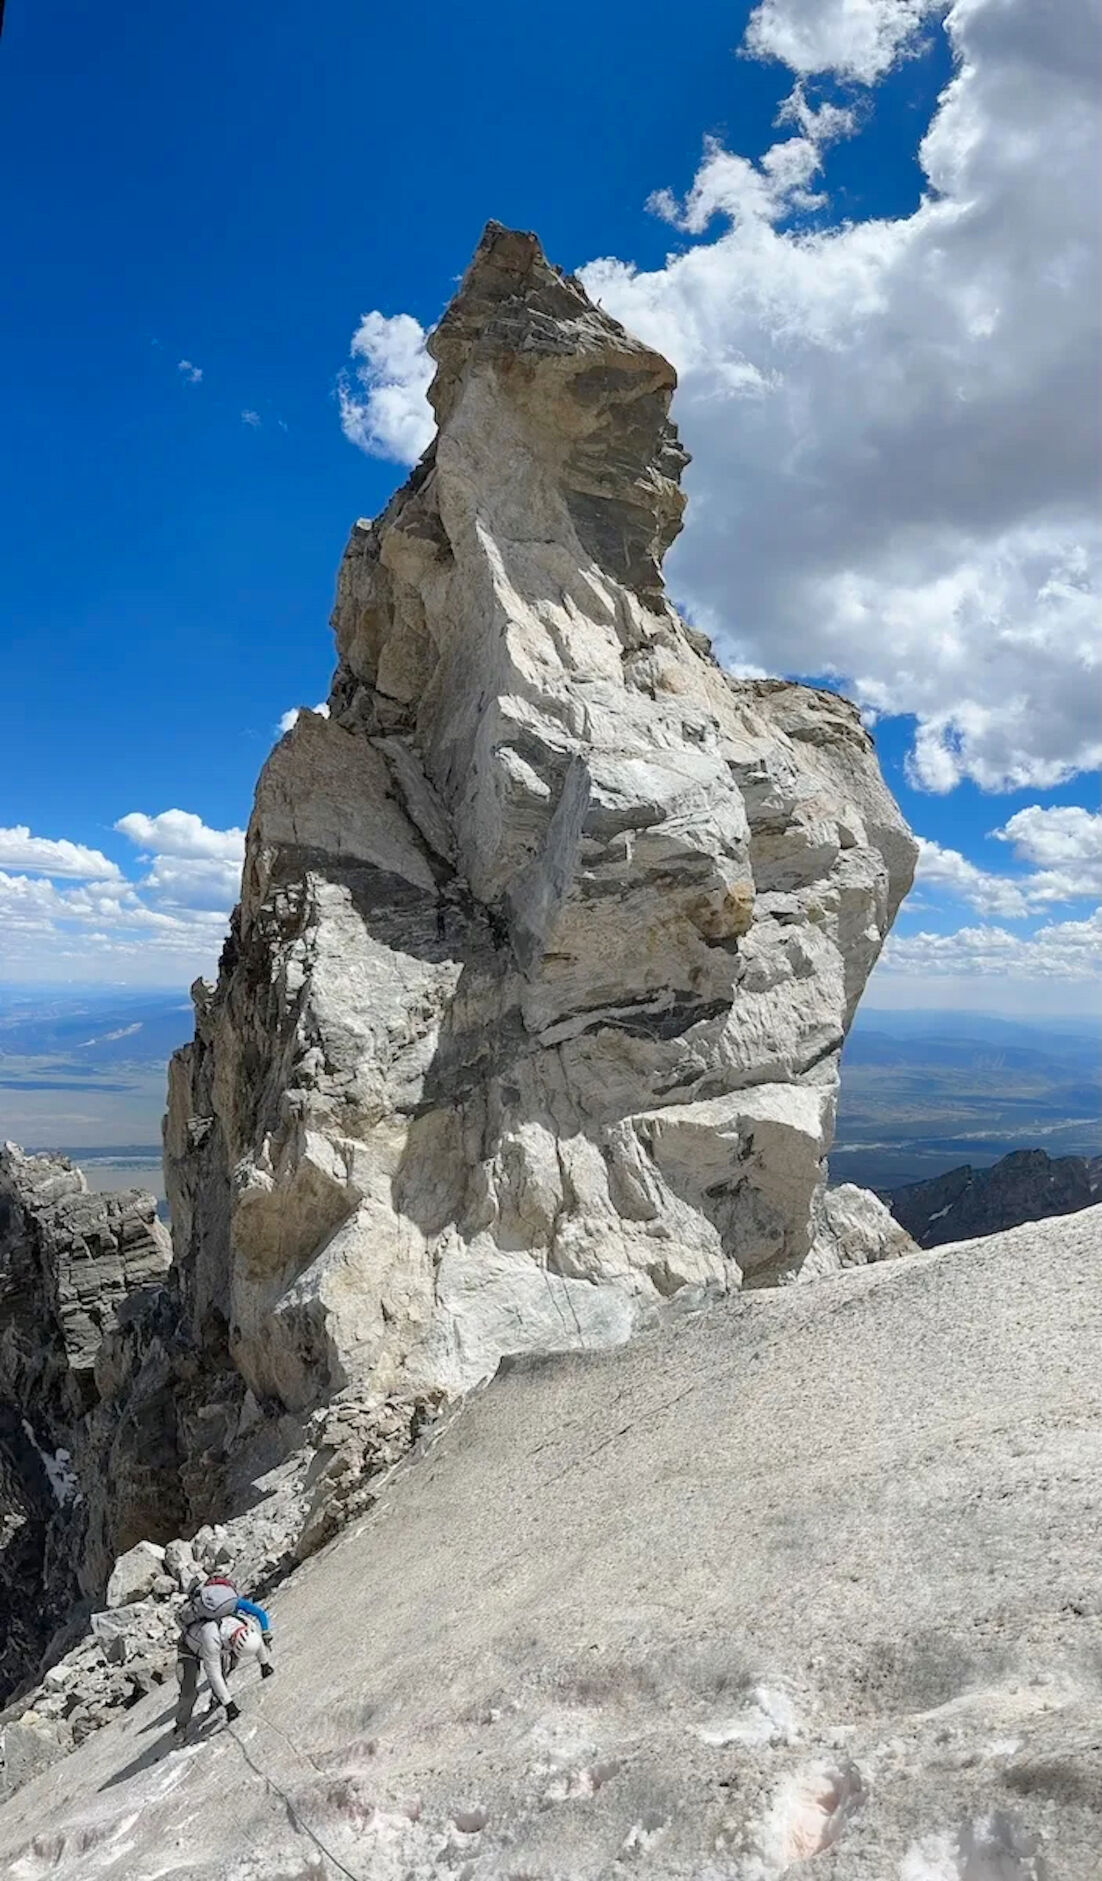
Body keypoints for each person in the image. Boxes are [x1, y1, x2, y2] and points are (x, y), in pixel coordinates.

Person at [172, 1575, 273, 1742]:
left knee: (226, 1667)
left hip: (217, 1644)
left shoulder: (244, 1623)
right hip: (189, 1650)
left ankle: (217, 1698)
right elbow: (213, 1674)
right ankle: (181, 1726)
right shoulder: (211, 1634)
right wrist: (230, 1707)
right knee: (189, 1692)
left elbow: (256, 1640)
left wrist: (265, 1665)